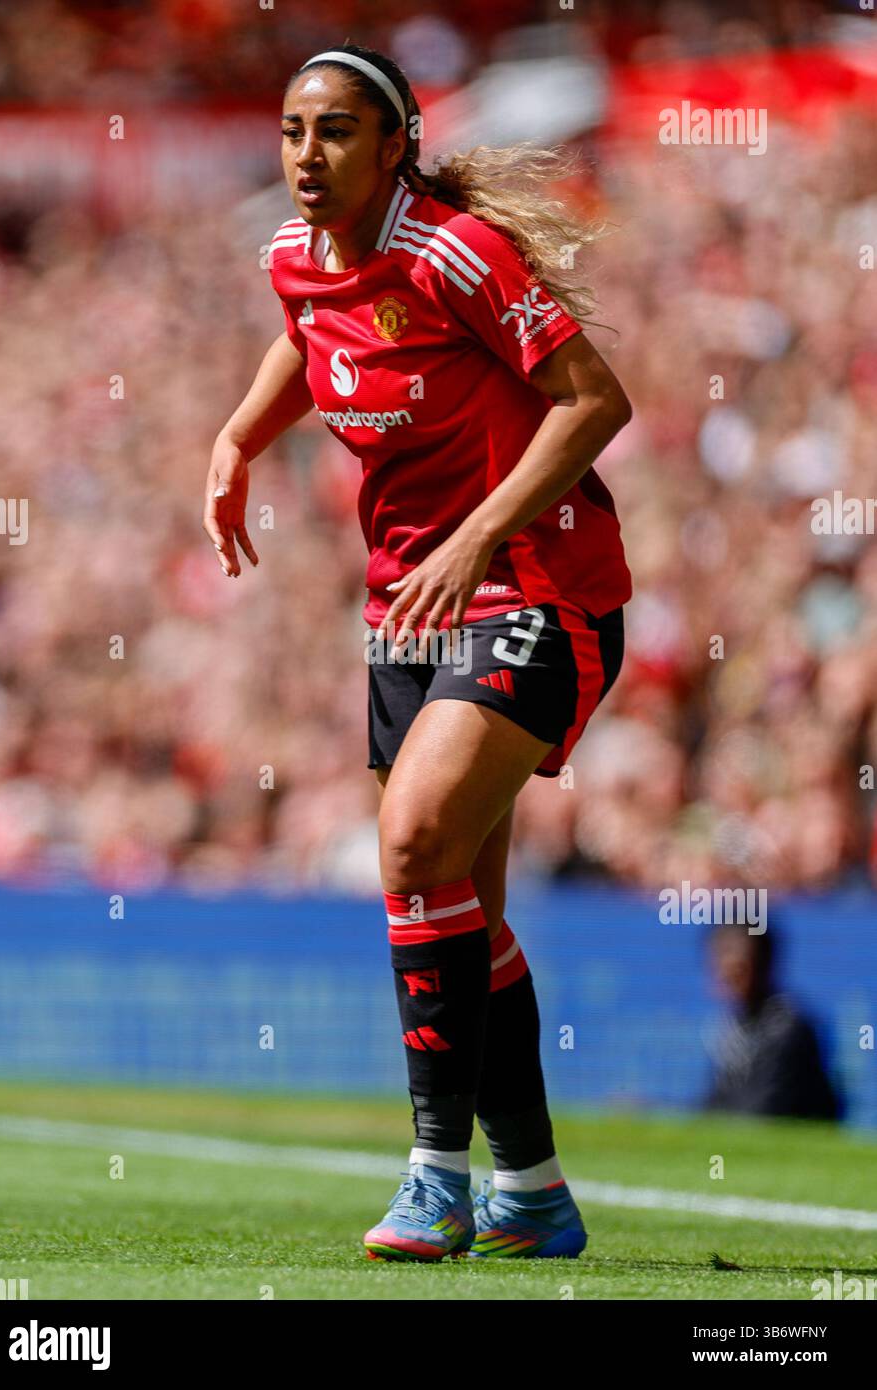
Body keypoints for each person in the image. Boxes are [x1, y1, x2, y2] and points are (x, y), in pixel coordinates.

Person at [203, 43, 632, 1260]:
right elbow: (310, 329)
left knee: (412, 845)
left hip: (538, 582)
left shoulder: (453, 250)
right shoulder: (296, 255)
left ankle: (434, 1176)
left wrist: (480, 530)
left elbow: (594, 400)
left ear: (394, 143)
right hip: (407, 602)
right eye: (292, 130)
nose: (305, 154)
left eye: (335, 130)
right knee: (444, 899)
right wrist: (238, 439)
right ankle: (536, 1191)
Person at [703, 922, 841, 1121]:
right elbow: (716, 1103)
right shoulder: (734, 1025)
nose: (724, 971)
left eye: (738, 967)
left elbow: (764, 1111)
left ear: (763, 964)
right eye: (718, 957)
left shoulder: (787, 1027)